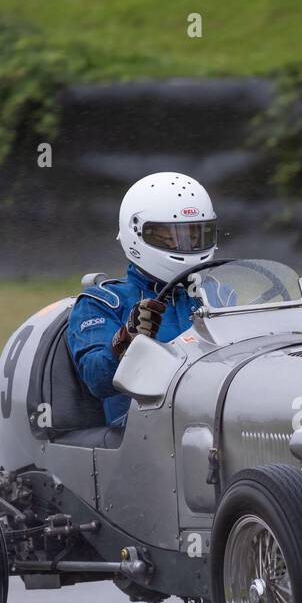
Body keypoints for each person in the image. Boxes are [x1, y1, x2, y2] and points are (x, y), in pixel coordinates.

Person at [66, 172, 233, 425]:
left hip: (220, 417)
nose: (187, 245)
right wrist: (126, 340)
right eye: (170, 236)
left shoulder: (219, 295)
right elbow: (97, 379)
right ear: (136, 233)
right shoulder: (103, 302)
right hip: (144, 433)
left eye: (196, 235)